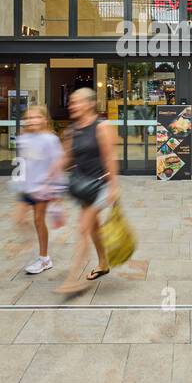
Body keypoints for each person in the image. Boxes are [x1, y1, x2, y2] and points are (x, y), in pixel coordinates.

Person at [57, 87, 119, 290]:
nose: (72, 105)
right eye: (71, 102)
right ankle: (103, 263)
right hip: (83, 185)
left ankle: (73, 280)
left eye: (77, 102)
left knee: (83, 227)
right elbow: (66, 159)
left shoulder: (102, 127)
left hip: (100, 185)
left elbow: (109, 157)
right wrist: (49, 174)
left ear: (91, 104)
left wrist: (113, 187)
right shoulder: (71, 130)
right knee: (93, 228)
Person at [14, 105, 63, 274]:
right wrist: (19, 185)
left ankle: (44, 258)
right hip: (27, 187)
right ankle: (33, 246)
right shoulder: (23, 138)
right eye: (28, 118)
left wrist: (57, 191)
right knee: (20, 219)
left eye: (36, 117)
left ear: (44, 120)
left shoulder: (50, 139)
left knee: (38, 220)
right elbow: (21, 162)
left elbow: (57, 163)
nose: (32, 121)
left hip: (43, 187)